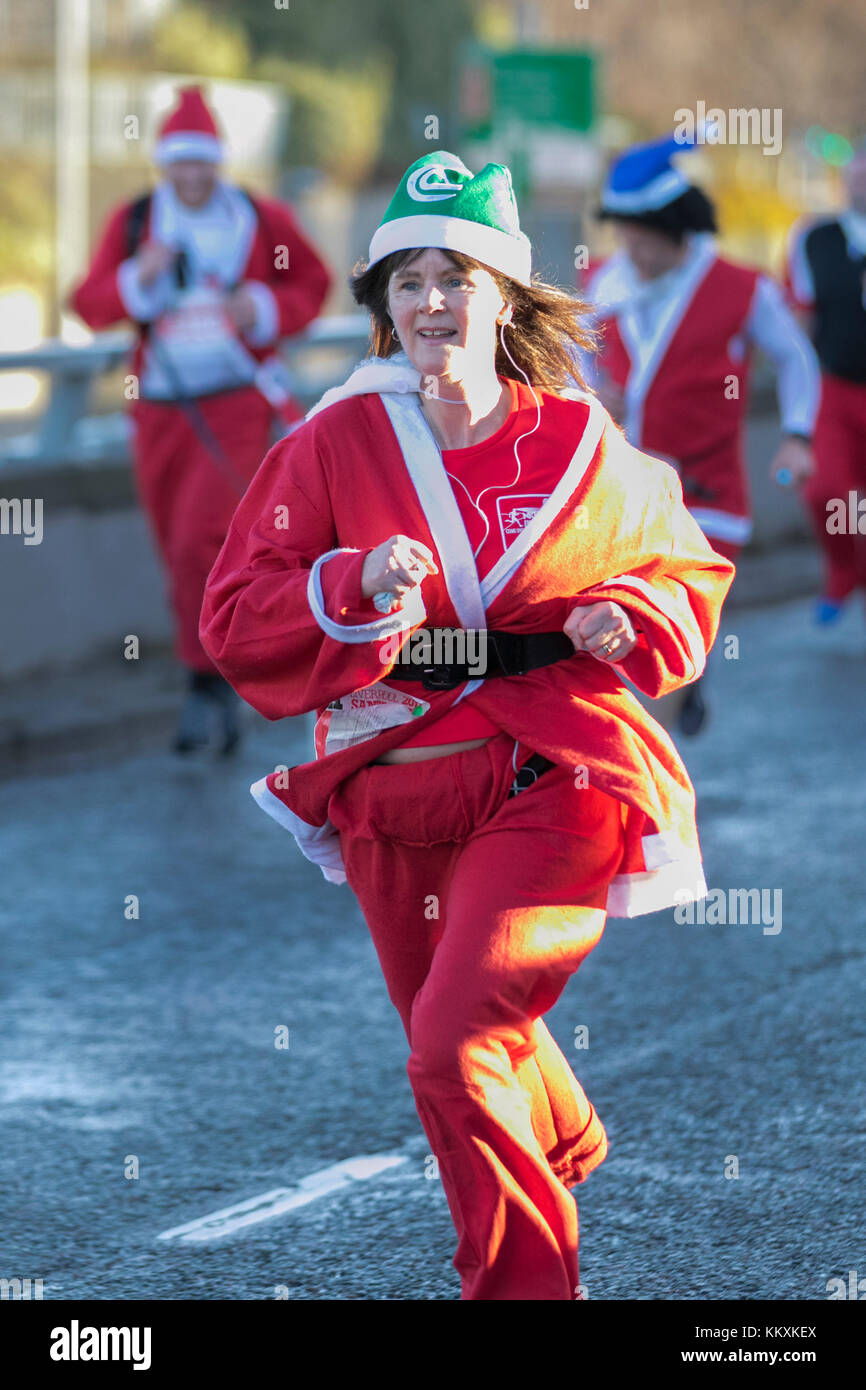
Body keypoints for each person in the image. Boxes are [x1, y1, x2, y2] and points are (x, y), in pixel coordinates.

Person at [199, 150, 735, 1301]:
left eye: (456, 276)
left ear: (505, 295)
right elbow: (234, 612)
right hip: (391, 793)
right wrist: (345, 581)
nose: (431, 301)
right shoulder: (332, 442)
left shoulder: (579, 446)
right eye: (407, 280)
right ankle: (556, 1119)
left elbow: (682, 567)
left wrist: (621, 609)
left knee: (452, 1045)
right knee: (457, 1054)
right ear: (384, 303)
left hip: (548, 780)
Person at [70, 85, 332, 754]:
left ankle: (208, 683)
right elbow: (89, 303)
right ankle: (218, 679)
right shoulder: (136, 221)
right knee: (177, 554)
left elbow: (315, 281)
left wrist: (265, 306)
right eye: (180, 164)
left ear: (219, 164)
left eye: (203, 163)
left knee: (204, 542)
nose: (192, 176)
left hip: (238, 400)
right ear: (165, 165)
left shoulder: (260, 218)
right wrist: (137, 277)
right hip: (160, 407)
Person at [581, 130, 820, 734]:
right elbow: (567, 358)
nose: (632, 251)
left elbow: (795, 359)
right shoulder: (604, 284)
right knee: (632, 626)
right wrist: (588, 392)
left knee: (673, 615)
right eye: (624, 238)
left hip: (708, 493)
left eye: (644, 240)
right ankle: (661, 723)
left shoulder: (742, 288)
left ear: (678, 227)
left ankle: (656, 778)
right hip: (625, 494)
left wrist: (797, 434)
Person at [785, 138, 866, 625]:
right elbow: (800, 315)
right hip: (834, 386)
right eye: (855, 179)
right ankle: (843, 571)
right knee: (825, 491)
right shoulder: (814, 237)